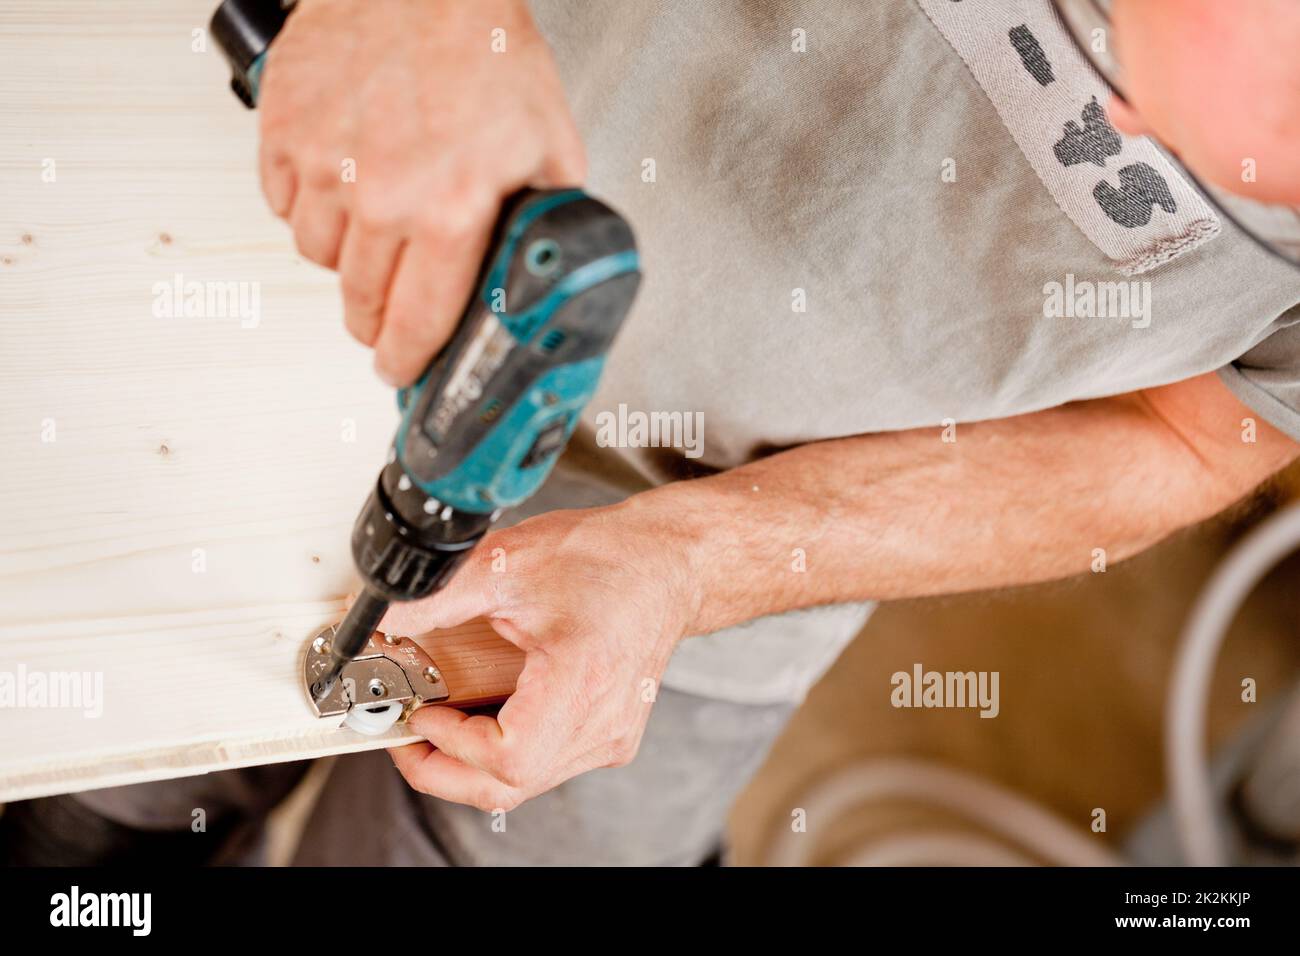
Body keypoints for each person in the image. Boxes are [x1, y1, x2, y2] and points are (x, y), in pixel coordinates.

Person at [5, 0, 1299, 866]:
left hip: (700, 609)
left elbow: (1196, 434)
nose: (1124, 127)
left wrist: (693, 566)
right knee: (85, 828)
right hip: (303, 287)